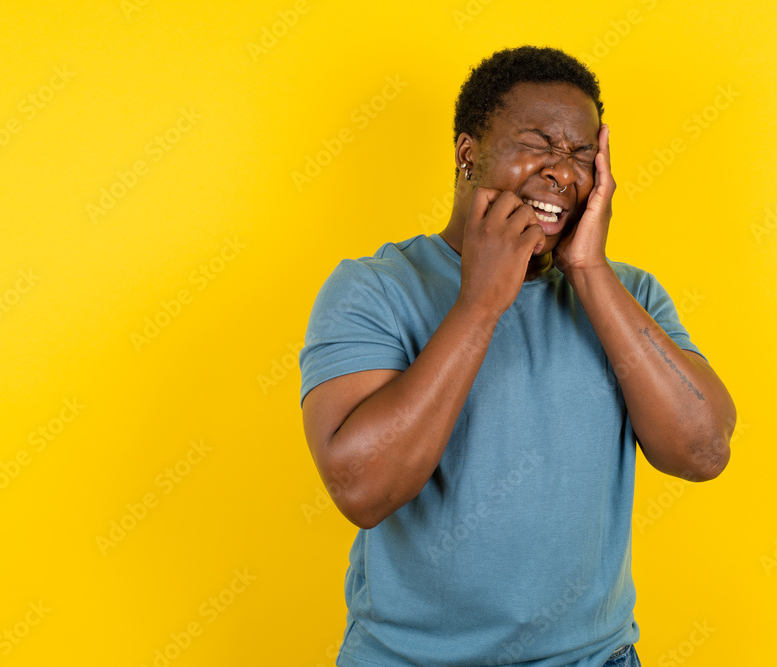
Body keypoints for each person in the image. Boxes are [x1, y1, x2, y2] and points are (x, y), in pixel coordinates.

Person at [298, 45, 736, 667]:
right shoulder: (375, 287)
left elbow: (702, 453)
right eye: (540, 143)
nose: (564, 172)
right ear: (468, 155)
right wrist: (480, 304)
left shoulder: (628, 295)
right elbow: (363, 490)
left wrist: (588, 270)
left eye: (583, 154)